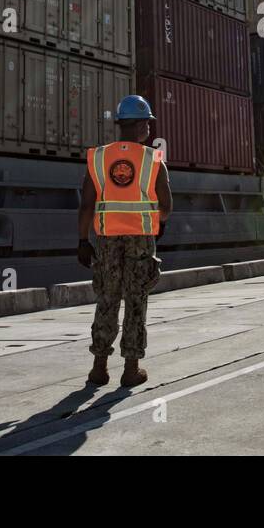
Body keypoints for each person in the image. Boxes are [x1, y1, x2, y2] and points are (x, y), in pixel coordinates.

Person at [78, 95, 172, 388]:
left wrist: (82, 240)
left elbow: (86, 205)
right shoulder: (153, 159)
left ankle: (98, 368)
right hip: (141, 242)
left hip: (106, 241)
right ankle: (131, 370)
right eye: (149, 123)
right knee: (135, 300)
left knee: (107, 299)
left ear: (120, 124)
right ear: (143, 125)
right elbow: (166, 206)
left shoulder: (98, 157)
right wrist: (159, 225)